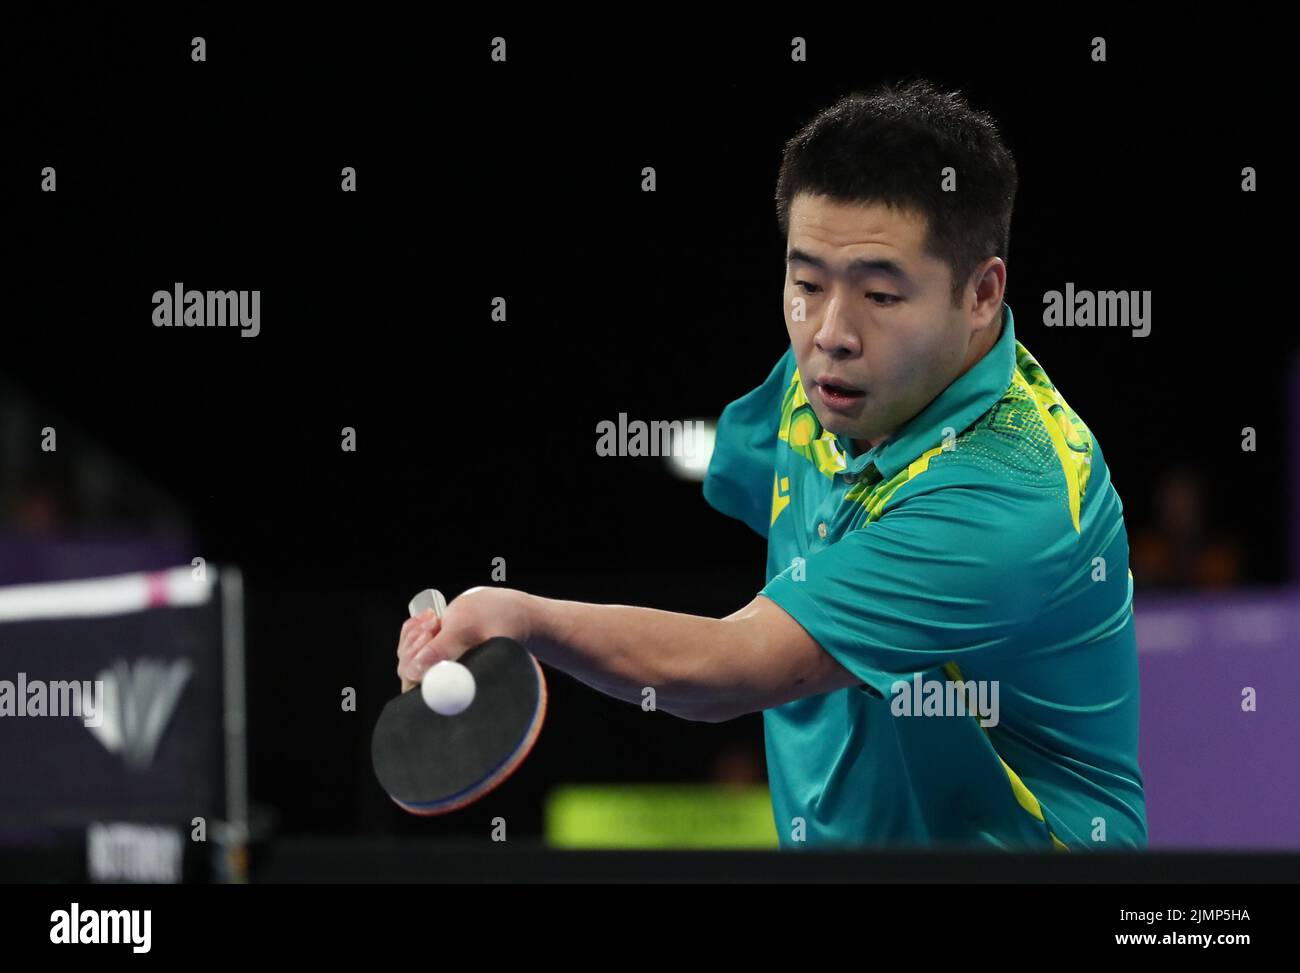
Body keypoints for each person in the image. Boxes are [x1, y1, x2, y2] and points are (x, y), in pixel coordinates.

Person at [395, 79, 1147, 850]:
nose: (831, 331)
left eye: (881, 294)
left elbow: (735, 666)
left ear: (983, 293)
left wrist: (523, 616)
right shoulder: (825, 387)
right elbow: (732, 465)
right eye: (807, 282)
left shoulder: (1012, 491)